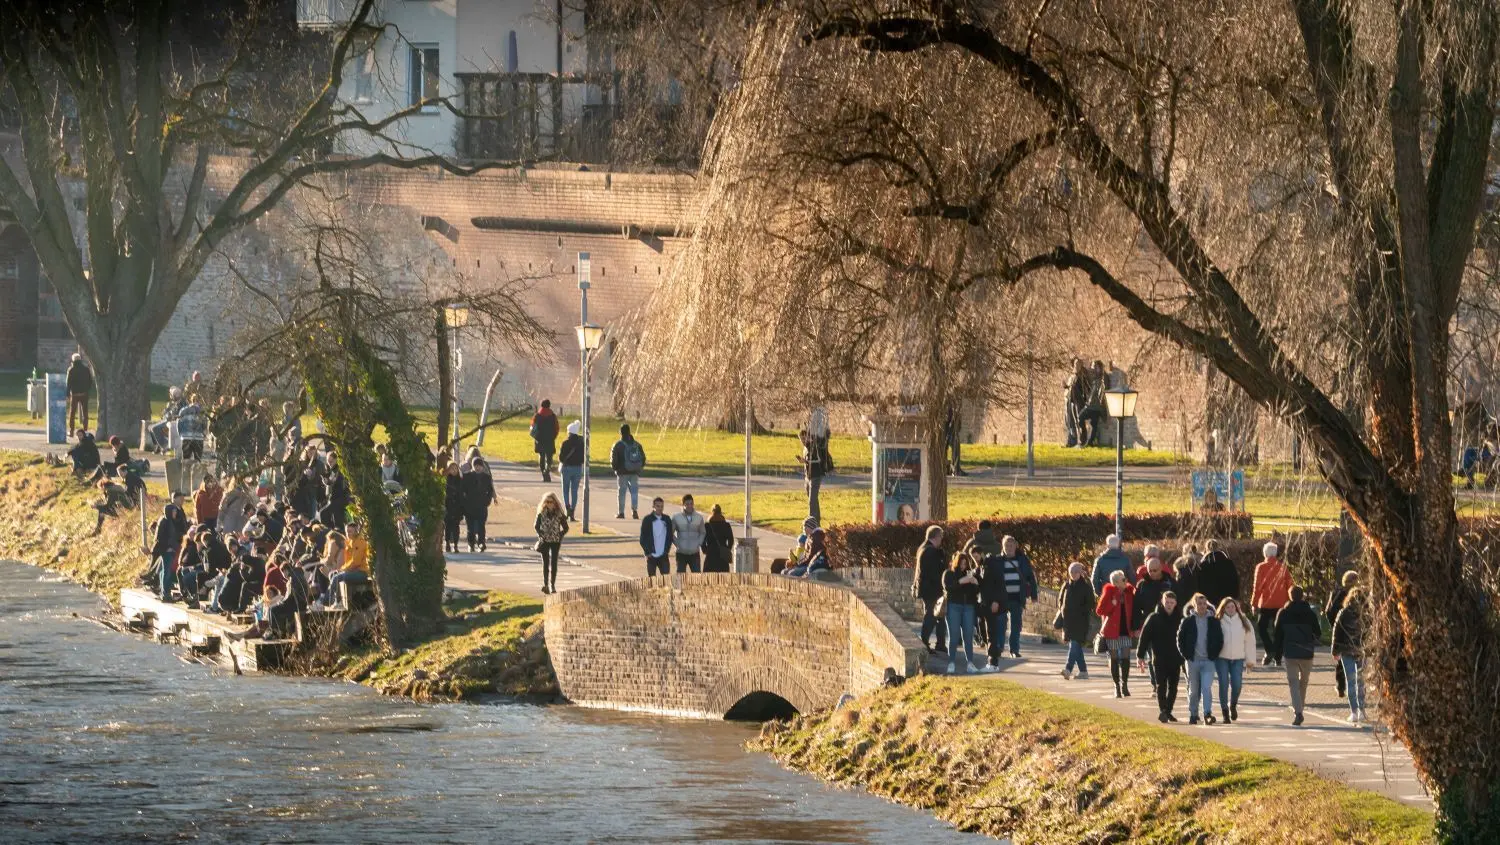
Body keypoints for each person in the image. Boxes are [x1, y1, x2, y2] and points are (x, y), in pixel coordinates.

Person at [980, 535, 1038, 661]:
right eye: (1006, 545)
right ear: (1003, 547)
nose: (1009, 548)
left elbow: (1030, 577)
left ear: (1015, 546)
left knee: (1016, 626)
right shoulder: (998, 560)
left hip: (1017, 598)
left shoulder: (1022, 560)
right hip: (1002, 599)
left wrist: (1034, 595)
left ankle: (1014, 650)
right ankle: (999, 648)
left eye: (1011, 545)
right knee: (1001, 625)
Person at [1274, 585, 1321, 726]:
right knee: (1304, 682)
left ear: (1290, 596)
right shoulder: (1310, 613)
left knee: (1293, 682)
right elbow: (1318, 632)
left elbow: (1278, 635)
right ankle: (1300, 707)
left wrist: (1277, 654)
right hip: (1307, 652)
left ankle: (1298, 711)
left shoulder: (1283, 613)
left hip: (1290, 652)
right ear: (1302, 596)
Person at [1177, 592, 1224, 725]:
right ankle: (1193, 713)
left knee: (1206, 688)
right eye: (1199, 604)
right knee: (1193, 690)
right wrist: (1186, 655)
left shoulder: (1213, 621)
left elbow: (1220, 639)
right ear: (1194, 605)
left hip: (1208, 660)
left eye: (1204, 604)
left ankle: (1207, 713)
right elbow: (1180, 639)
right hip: (1192, 660)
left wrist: (1214, 654)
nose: (1202, 606)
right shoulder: (1187, 621)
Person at [1136, 591, 1183, 722]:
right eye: (1167, 602)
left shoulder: (1179, 618)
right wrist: (1140, 655)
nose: (1169, 605)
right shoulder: (1154, 618)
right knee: (1160, 686)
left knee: (1173, 687)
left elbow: (1185, 637)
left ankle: (1168, 711)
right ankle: (1163, 710)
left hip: (1175, 658)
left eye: (1171, 603)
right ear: (1162, 602)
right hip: (1159, 658)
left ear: (1175, 604)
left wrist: (1185, 655)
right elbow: (1144, 637)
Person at [1131, 555, 1176, 690]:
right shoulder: (1142, 585)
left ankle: (1166, 681)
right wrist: (1136, 627)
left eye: (1155, 570)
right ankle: (1156, 685)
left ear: (1161, 568)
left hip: (1169, 625)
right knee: (1152, 657)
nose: (1152, 573)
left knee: (1167, 656)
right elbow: (1136, 607)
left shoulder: (1170, 583)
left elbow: (1178, 602)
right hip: (1149, 624)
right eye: (1150, 570)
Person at [943, 542, 983, 674]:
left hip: (968, 607)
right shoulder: (949, 574)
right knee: (954, 637)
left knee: (968, 636)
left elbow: (976, 591)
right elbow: (948, 587)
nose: (963, 566)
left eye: (965, 564)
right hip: (954, 606)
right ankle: (951, 662)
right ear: (956, 562)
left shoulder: (970, 574)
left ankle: (970, 663)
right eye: (961, 563)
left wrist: (975, 583)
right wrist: (962, 581)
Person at [1251, 542, 1293, 666]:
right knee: (1279, 630)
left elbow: (1257, 587)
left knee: (1261, 627)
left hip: (1266, 603)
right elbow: (1290, 584)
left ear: (1265, 553)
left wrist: (1254, 603)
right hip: (1281, 603)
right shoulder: (1282, 567)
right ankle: (1278, 656)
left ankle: (1269, 650)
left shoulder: (1261, 567)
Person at [1215, 597, 1256, 723]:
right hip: (1222, 658)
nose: (1231, 609)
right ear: (1223, 608)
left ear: (1237, 608)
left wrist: (1250, 661)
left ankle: (1233, 705)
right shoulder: (1218, 621)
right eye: (1228, 607)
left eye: (1233, 607)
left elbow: (1249, 642)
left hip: (1238, 659)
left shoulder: (1244, 621)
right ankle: (1225, 711)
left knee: (1237, 685)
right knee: (1223, 684)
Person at [1096, 570, 1135, 697]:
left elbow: (1134, 609)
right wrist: (1112, 604)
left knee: (1126, 658)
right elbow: (1100, 610)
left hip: (1125, 630)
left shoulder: (1129, 593)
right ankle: (1116, 686)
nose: (1126, 581)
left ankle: (1125, 684)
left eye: (1125, 579)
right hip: (1112, 631)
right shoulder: (1109, 592)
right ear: (1116, 583)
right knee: (1114, 658)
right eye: (1123, 580)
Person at [1331, 586, 1367, 723]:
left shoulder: (1343, 612)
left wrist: (1335, 650)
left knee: (1350, 681)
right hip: (1361, 650)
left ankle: (1354, 712)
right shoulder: (1367, 613)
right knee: (1361, 681)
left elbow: (1337, 631)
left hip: (1346, 651)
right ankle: (1362, 710)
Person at [911, 525, 948, 655]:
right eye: (941, 537)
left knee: (939, 616)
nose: (941, 540)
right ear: (936, 537)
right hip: (932, 589)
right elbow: (935, 572)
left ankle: (941, 643)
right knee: (932, 616)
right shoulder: (931, 551)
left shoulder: (923, 548)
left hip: (928, 588)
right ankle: (925, 642)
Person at [1058, 561, 1095, 680]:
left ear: (1081, 573)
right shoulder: (1066, 585)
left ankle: (1068, 669)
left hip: (1080, 621)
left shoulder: (1085, 586)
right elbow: (1060, 600)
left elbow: (1091, 603)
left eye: (1076, 572)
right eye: (1071, 572)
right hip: (1068, 621)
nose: (1073, 574)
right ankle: (1083, 671)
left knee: (1074, 644)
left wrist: (1080, 611)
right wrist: (1062, 610)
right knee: (1075, 647)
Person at [1325, 570, 1358, 697]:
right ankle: (1351, 686)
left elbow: (1329, 611)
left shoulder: (1336, 593)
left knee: (1342, 659)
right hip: (1354, 630)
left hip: (1341, 629)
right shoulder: (1356, 594)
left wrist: (1334, 625)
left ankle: (1341, 686)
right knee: (1355, 658)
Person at [144, 498, 185, 602]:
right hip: (167, 550)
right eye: (174, 511)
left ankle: (164, 592)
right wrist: (169, 547)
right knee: (166, 572)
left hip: (167, 549)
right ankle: (165, 593)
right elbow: (162, 538)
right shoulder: (166, 522)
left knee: (163, 571)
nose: (175, 513)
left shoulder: (167, 520)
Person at [326, 523, 370, 608]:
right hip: (353, 571)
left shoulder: (360, 542)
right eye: (346, 531)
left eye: (350, 531)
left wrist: (343, 569)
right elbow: (348, 561)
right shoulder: (349, 543)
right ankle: (337, 601)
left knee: (337, 577)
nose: (348, 534)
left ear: (356, 531)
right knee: (333, 574)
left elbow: (355, 562)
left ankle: (325, 601)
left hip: (362, 572)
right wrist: (342, 569)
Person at [534, 492, 569, 594]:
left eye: (551, 502)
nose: (549, 504)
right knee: (545, 563)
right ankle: (545, 585)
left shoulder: (559, 514)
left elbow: (566, 528)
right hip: (545, 541)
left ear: (555, 503)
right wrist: (541, 535)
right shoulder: (541, 514)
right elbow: (536, 526)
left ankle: (552, 585)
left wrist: (560, 535)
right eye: (547, 502)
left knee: (554, 563)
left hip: (555, 541)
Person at [797, 428, 833, 522]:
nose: (803, 442)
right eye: (801, 440)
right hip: (808, 476)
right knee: (812, 499)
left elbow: (818, 461)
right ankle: (816, 521)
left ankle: (812, 523)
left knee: (812, 500)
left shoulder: (814, 447)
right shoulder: (805, 448)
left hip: (816, 475)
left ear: (808, 437)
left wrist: (805, 461)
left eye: (804, 439)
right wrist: (804, 461)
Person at [611, 424, 646, 519]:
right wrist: (639, 467)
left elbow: (614, 460)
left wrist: (615, 469)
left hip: (622, 472)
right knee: (634, 492)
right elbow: (643, 458)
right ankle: (634, 511)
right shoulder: (637, 444)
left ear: (620, 433)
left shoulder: (618, 445)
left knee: (621, 492)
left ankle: (621, 512)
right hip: (634, 472)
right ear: (629, 432)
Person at [1195, 538, 1241, 606]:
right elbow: (1235, 580)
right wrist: (1235, 596)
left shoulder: (1204, 564)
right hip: (1227, 598)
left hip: (1210, 599)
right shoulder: (1228, 563)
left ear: (1207, 549)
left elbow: (1200, 584)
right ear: (1218, 547)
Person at [463, 458, 496, 552]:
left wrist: (488, 501)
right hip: (470, 506)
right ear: (473, 466)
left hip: (482, 505)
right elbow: (462, 490)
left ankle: (481, 543)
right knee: (471, 527)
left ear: (482, 466)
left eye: (479, 466)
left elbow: (490, 490)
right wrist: (465, 502)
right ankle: (471, 543)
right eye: (475, 466)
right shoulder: (467, 476)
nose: (477, 468)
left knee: (481, 526)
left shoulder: (486, 477)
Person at [639, 497, 673, 577]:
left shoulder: (667, 519)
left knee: (666, 579)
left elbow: (670, 536)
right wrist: (647, 552)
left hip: (663, 555)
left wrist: (666, 550)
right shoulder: (647, 519)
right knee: (652, 581)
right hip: (651, 556)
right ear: (653, 507)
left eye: (662, 506)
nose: (660, 508)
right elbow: (642, 538)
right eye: (658, 506)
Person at [558, 420, 585, 520]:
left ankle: (567, 508)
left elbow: (561, 458)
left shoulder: (565, 443)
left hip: (566, 468)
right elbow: (584, 457)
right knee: (574, 491)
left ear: (569, 432)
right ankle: (573, 510)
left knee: (565, 489)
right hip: (577, 468)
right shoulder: (581, 443)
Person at [530, 399, 560, 482]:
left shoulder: (537, 416)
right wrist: (554, 436)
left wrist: (536, 436)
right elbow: (557, 428)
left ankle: (544, 473)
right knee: (549, 457)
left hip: (539, 439)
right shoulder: (553, 416)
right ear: (549, 405)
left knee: (541, 456)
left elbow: (532, 427)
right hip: (550, 439)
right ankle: (547, 470)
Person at [149, 387, 186, 453]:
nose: (170, 396)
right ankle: (157, 446)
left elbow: (175, 414)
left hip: (174, 422)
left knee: (155, 428)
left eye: (171, 395)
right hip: (168, 420)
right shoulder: (174, 402)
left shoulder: (180, 403)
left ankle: (165, 446)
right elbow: (168, 412)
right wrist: (166, 412)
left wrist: (168, 414)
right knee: (150, 427)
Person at [65, 352, 93, 433]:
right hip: (84, 393)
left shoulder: (71, 370)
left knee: (72, 413)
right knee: (85, 413)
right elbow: (90, 381)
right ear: (80, 360)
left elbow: (68, 383)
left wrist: (67, 394)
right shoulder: (86, 369)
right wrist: (87, 389)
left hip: (74, 394)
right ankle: (85, 430)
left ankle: (71, 431)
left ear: (73, 360)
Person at [442, 462, 466, 553]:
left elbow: (463, 494)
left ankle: (456, 544)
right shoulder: (446, 480)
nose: (454, 471)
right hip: (448, 506)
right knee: (448, 526)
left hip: (457, 507)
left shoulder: (460, 480)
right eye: (452, 469)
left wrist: (462, 507)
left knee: (456, 527)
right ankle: (447, 543)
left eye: (455, 469)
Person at [703, 504, 735, 573]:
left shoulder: (707, 525)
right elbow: (731, 540)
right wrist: (727, 548)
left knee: (709, 576)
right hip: (722, 554)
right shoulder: (726, 525)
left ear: (711, 512)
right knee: (723, 577)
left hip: (710, 553)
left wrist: (705, 550)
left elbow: (703, 540)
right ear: (720, 512)